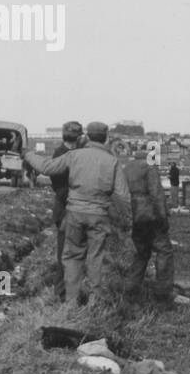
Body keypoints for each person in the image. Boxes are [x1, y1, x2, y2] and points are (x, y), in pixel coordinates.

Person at [24, 121, 130, 303]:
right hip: (99, 215)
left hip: (74, 212)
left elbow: (47, 167)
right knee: (95, 258)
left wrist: (28, 154)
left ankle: (71, 303)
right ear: (106, 138)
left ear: (87, 136)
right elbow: (123, 196)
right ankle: (94, 302)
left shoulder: (74, 155)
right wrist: (127, 221)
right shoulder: (112, 161)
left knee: (72, 256)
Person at [124, 149, 175, 298]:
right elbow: (156, 193)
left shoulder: (126, 168)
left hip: (134, 215)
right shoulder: (149, 167)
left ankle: (130, 288)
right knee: (164, 251)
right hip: (150, 214)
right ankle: (163, 291)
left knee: (141, 252)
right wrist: (162, 216)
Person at [46, 122, 83, 300]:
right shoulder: (62, 155)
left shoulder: (66, 153)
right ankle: (61, 292)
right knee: (65, 254)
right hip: (67, 210)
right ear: (78, 137)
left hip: (68, 208)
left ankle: (66, 291)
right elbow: (60, 189)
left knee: (67, 253)